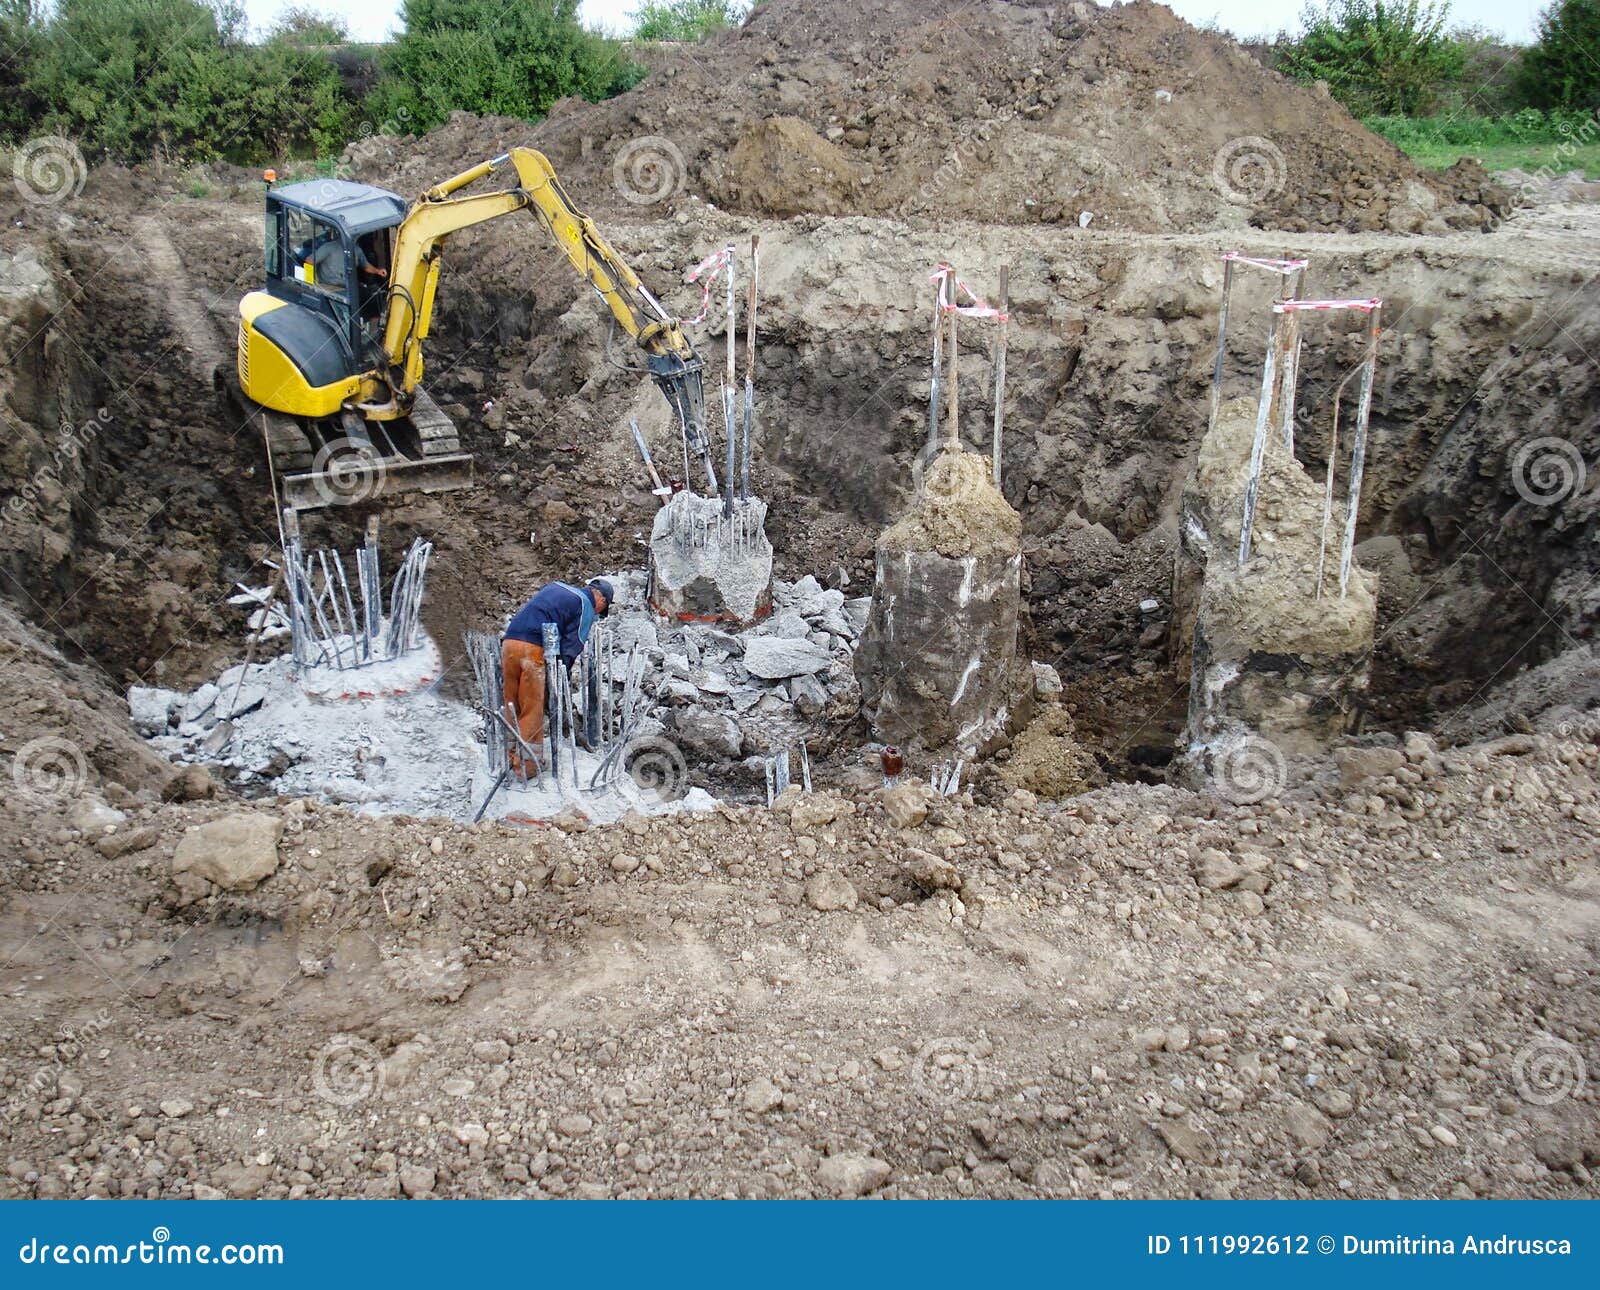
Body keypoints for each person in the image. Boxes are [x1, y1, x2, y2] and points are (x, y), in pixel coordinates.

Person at [501, 578, 613, 770]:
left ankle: (511, 757)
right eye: (601, 611)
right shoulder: (585, 604)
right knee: (532, 706)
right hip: (532, 650)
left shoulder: (556, 587)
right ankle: (528, 765)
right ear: (601, 599)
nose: (597, 615)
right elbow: (572, 645)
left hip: (509, 643)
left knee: (512, 703)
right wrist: (561, 679)